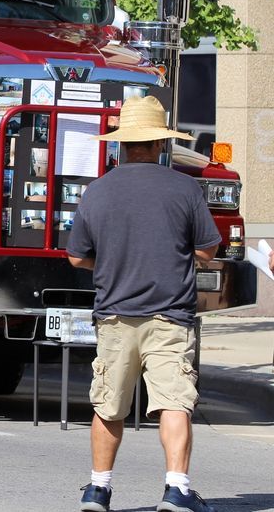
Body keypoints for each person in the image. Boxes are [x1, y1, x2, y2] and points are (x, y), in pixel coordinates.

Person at [66, 96, 221, 512]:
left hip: (115, 314)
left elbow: (77, 256)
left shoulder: (97, 191)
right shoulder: (185, 187)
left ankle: (98, 490)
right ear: (159, 144)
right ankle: (176, 489)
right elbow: (207, 249)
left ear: (122, 144)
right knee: (174, 402)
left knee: (109, 404)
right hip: (170, 315)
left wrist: (115, 258)